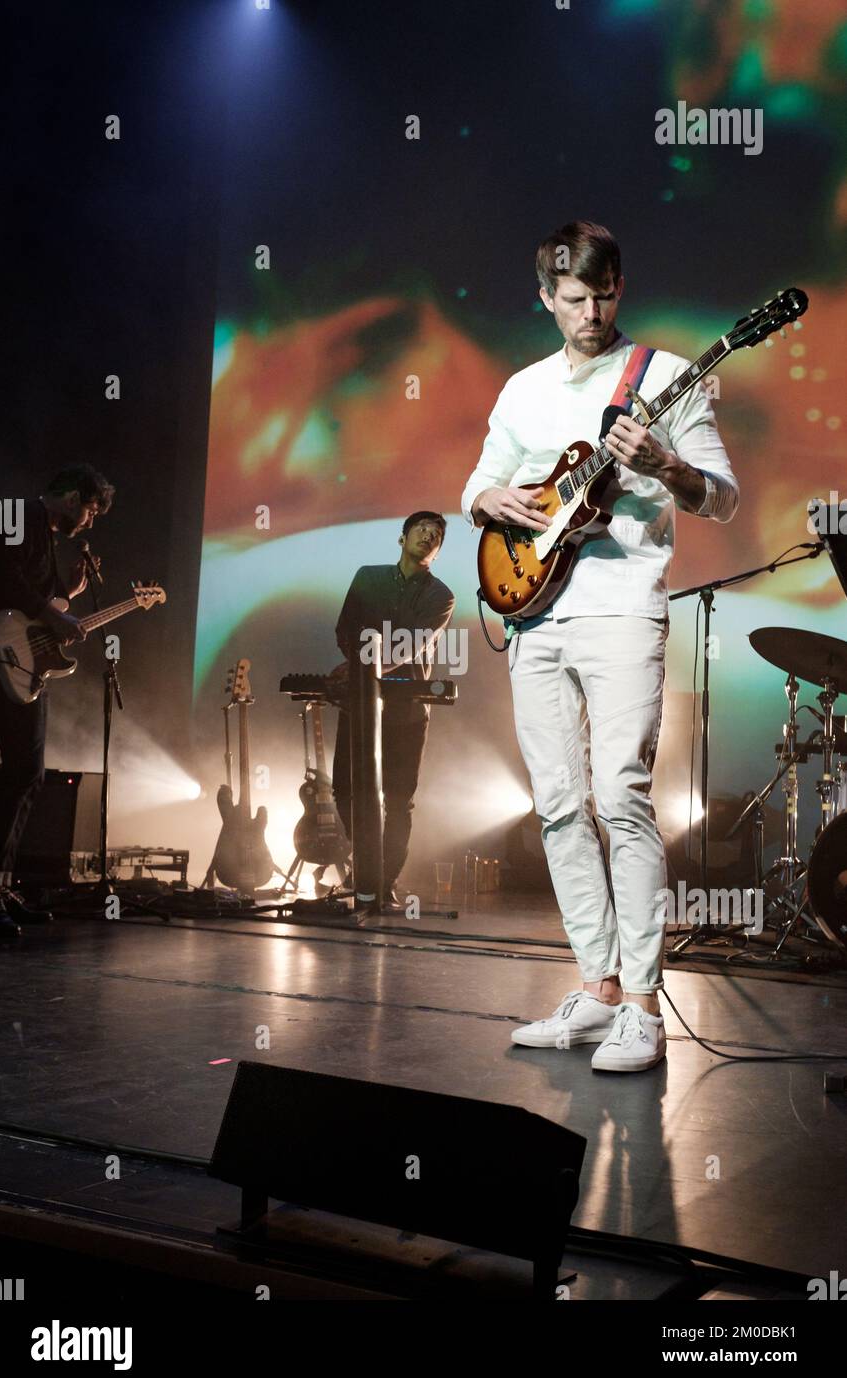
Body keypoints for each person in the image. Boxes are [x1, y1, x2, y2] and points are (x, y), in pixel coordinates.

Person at [461, 221, 739, 1071]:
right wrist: (490, 502)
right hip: (532, 612)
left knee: (621, 797)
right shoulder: (523, 389)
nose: (592, 313)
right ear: (546, 297)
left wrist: (664, 463)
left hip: (622, 609)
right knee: (556, 804)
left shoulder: (663, 377)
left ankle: (646, 1007)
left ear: (621, 289)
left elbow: (721, 496)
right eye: (575, 299)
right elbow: (478, 484)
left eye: (605, 296)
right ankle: (598, 987)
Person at [0, 465, 115, 934]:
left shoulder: (42, 531)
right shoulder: (17, 514)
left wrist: (66, 593)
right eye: (91, 510)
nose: (89, 522)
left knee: (25, 771)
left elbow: (26, 595)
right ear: (72, 498)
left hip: (15, 660)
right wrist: (52, 614)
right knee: (24, 770)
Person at [332, 512, 454, 910]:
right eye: (421, 529)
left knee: (398, 800)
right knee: (344, 789)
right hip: (358, 702)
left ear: (437, 552)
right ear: (402, 538)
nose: (428, 535)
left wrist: (365, 669)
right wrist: (359, 666)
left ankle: (383, 881)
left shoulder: (441, 596)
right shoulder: (367, 576)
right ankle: (367, 864)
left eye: (436, 534)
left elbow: (412, 645)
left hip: (407, 708)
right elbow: (345, 630)